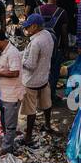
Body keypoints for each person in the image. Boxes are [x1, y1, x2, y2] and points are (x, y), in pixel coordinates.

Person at [20, 13, 56, 143]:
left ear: (35, 26)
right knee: (46, 104)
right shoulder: (48, 35)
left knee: (31, 110)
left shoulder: (35, 42)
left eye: (28, 27)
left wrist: (21, 59)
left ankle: (28, 136)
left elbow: (30, 65)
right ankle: (47, 125)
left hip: (31, 81)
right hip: (44, 78)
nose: (27, 29)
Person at [0, 31, 23, 154]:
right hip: (3, 93)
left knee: (10, 124)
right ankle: (6, 142)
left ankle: (7, 148)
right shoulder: (1, 51)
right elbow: (1, 68)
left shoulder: (12, 53)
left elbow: (15, 73)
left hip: (12, 94)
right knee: (4, 122)